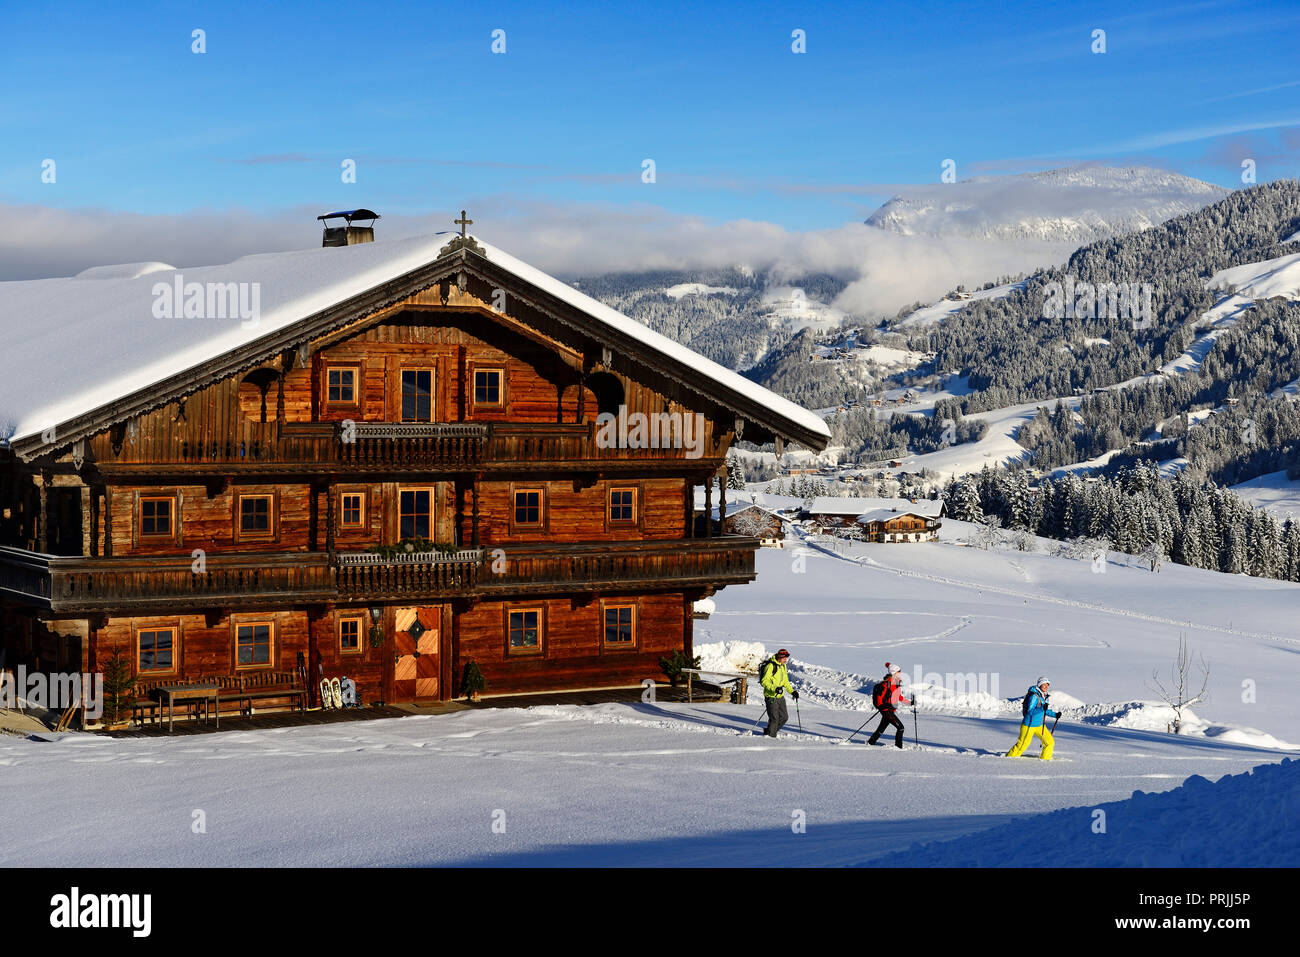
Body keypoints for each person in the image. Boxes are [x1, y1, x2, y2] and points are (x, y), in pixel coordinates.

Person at [1007, 676, 1060, 760]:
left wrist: (1055, 715)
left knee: (1049, 743)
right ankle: (1008, 758)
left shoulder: (1044, 696)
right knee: (1022, 745)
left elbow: (1044, 710)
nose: (1046, 686)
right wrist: (1042, 708)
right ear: (1039, 685)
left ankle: (1045, 760)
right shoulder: (1034, 696)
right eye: (1044, 684)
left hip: (1040, 725)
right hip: (1029, 725)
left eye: (1047, 684)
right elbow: (1030, 711)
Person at [867, 662, 912, 748]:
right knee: (901, 728)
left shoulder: (896, 684)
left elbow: (899, 697)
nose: (900, 673)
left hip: (890, 710)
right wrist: (882, 707)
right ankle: (898, 747)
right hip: (886, 711)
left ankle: (870, 742)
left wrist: (910, 703)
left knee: (881, 729)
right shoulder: (885, 684)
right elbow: (879, 698)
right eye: (899, 672)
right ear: (894, 673)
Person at [759, 648, 798, 737]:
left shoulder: (783, 666)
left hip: (780, 697)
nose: (786, 660)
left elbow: (785, 682)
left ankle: (769, 732)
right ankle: (771, 737)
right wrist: (774, 688)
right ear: (780, 657)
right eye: (785, 658)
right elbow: (764, 681)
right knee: (774, 719)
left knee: (784, 717)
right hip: (771, 696)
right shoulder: (771, 666)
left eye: (786, 658)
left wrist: (792, 692)